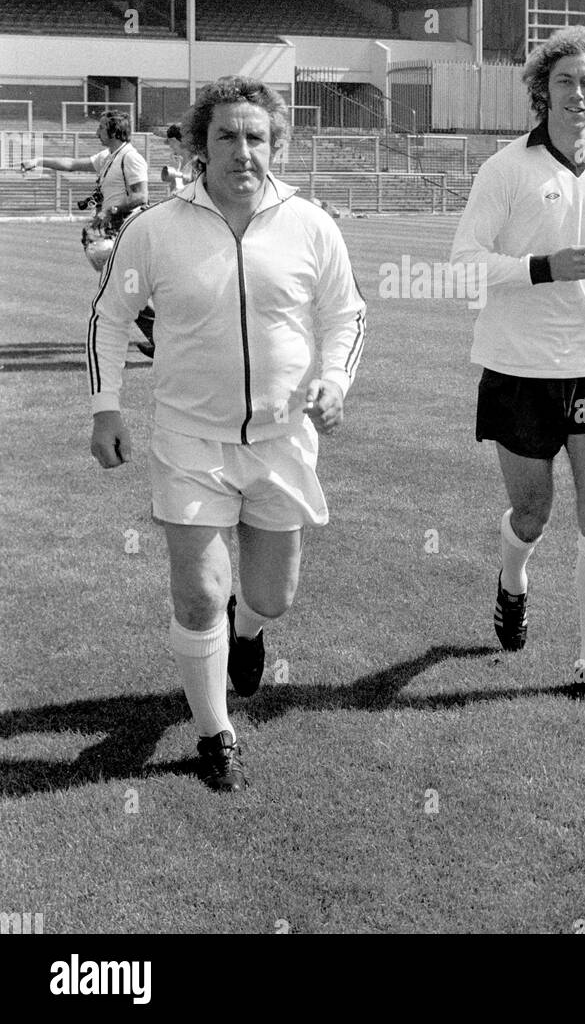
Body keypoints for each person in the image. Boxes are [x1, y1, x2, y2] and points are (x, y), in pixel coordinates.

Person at [87, 76, 366, 791]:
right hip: (190, 440)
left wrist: (335, 382)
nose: (243, 150)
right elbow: (110, 319)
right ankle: (216, 733)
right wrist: (105, 407)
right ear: (197, 145)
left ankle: (250, 628)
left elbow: (347, 315)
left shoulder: (310, 224)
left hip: (281, 440)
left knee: (272, 595)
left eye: (256, 137)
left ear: (277, 145)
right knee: (200, 594)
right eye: (226, 136)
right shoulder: (156, 229)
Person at [450, 27, 585, 709]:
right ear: (543, 90)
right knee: (532, 512)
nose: (576, 93)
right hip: (518, 367)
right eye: (564, 81)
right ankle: (512, 581)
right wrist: (544, 269)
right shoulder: (505, 170)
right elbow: (464, 262)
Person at [23, 110, 154, 352]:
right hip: (115, 228)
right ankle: (157, 339)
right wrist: (39, 161)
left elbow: (141, 196)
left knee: (123, 287)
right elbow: (72, 164)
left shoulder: (131, 158)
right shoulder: (109, 156)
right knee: (124, 288)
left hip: (128, 228)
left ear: (114, 131)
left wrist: (110, 210)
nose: (97, 133)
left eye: (101, 128)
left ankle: (145, 339)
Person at [161, 123, 197, 191]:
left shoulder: (197, 164)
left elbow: (185, 192)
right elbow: (173, 192)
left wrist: (175, 172)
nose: (170, 145)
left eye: (172, 141)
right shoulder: (179, 163)